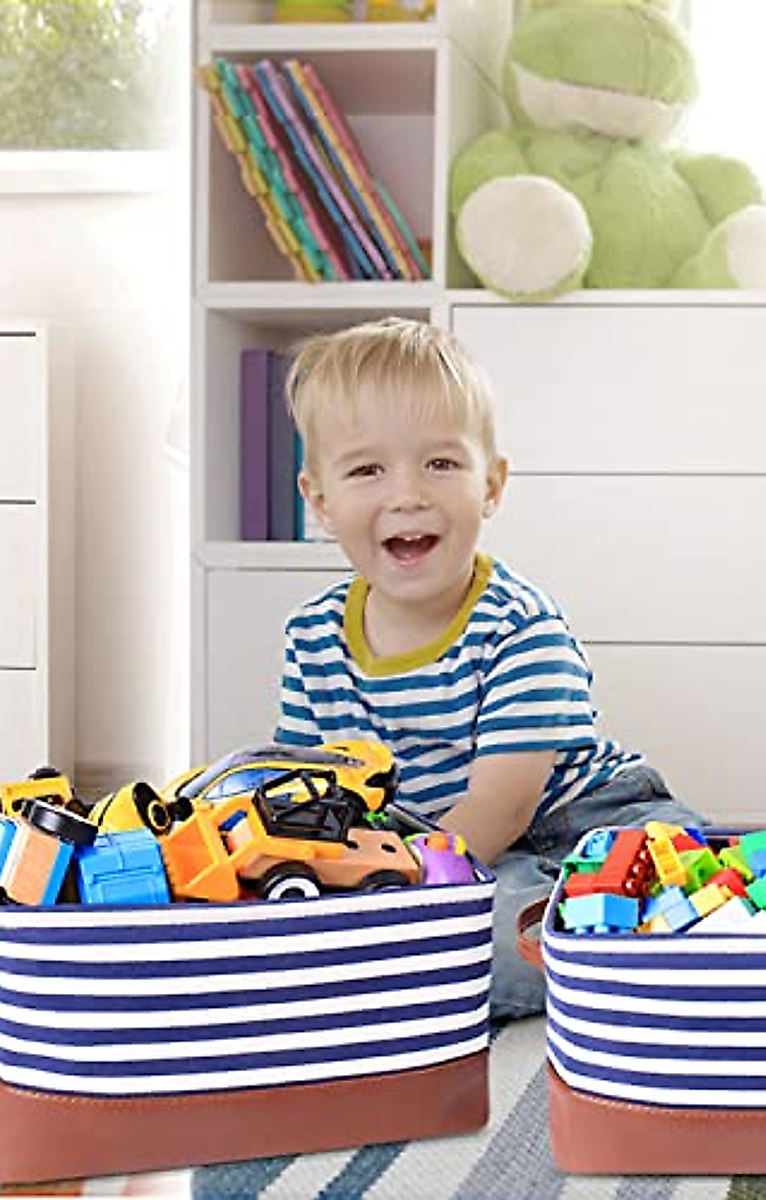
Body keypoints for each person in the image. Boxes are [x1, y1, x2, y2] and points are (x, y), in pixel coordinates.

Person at [273, 316, 702, 1021]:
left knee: (636, 897)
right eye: (367, 470)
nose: (407, 495)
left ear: (492, 484)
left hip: (579, 819)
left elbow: (502, 808)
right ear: (320, 502)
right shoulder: (312, 637)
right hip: (451, 850)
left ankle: (668, 948)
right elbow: (305, 786)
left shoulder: (519, 626)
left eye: (440, 464)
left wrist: (396, 893)